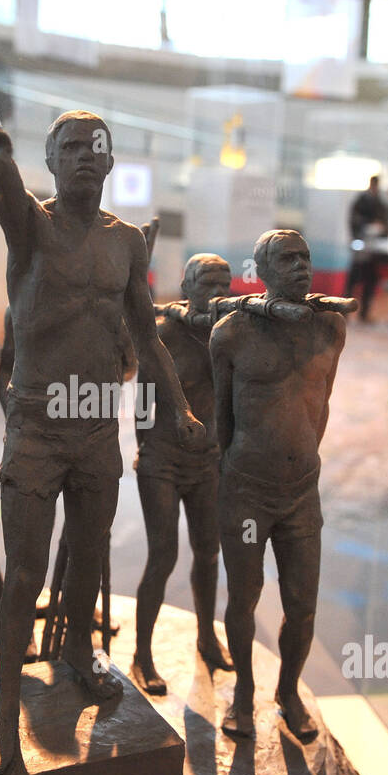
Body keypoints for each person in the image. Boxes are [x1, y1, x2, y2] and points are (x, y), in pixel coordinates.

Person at [0, 105, 205, 775]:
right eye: (68, 145)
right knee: (24, 574)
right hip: (40, 425)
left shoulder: (127, 240)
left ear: (108, 161)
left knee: (89, 556)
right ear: (50, 158)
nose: (82, 155)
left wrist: (179, 407)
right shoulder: (30, 226)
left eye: (93, 147)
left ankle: (76, 652)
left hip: (99, 421)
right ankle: (2, 710)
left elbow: (148, 334)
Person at [211, 230, 348, 742]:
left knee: (302, 604)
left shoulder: (330, 326)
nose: (301, 267)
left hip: (301, 492)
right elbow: (221, 418)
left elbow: (323, 402)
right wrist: (232, 472)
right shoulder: (231, 334)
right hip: (246, 488)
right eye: (287, 259)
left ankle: (287, 691)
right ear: (262, 270)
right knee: (244, 596)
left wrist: (301, 458)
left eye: (305, 257)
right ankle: (243, 691)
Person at [130, 254, 235, 696]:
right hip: (163, 462)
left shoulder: (228, 335)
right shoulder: (166, 336)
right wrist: (149, 448)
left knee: (209, 552)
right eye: (207, 283)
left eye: (222, 285)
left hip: (207, 460)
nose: (215, 292)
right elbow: (142, 406)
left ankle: (208, 636)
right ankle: (142, 654)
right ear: (187, 285)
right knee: (163, 555)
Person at [347, 174, 388, 322]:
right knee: (353, 281)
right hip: (362, 247)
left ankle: (364, 313)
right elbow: (354, 220)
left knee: (370, 282)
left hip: (374, 251)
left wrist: (381, 230)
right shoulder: (361, 201)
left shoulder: (381, 203)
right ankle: (345, 312)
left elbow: (385, 222)